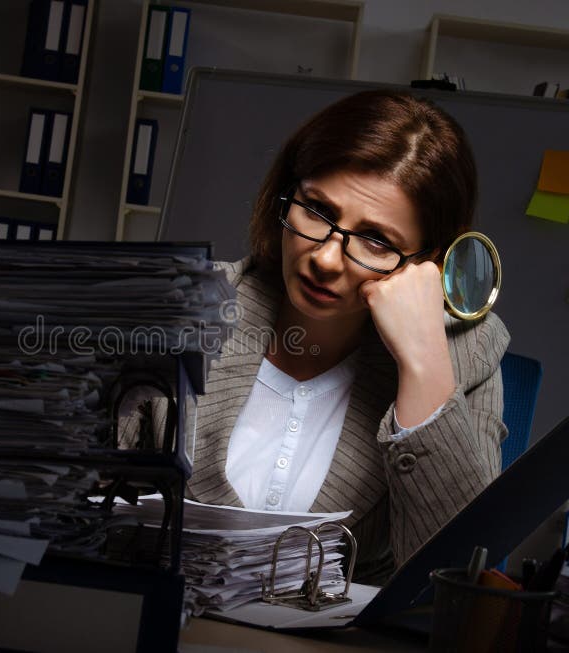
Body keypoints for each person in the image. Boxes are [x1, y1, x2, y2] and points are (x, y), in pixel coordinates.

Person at [123, 89, 509, 583]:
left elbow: (458, 580)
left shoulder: (466, 352)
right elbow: (81, 508)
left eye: (376, 240)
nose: (325, 260)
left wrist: (423, 365)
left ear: (426, 261)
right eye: (318, 212)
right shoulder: (180, 309)